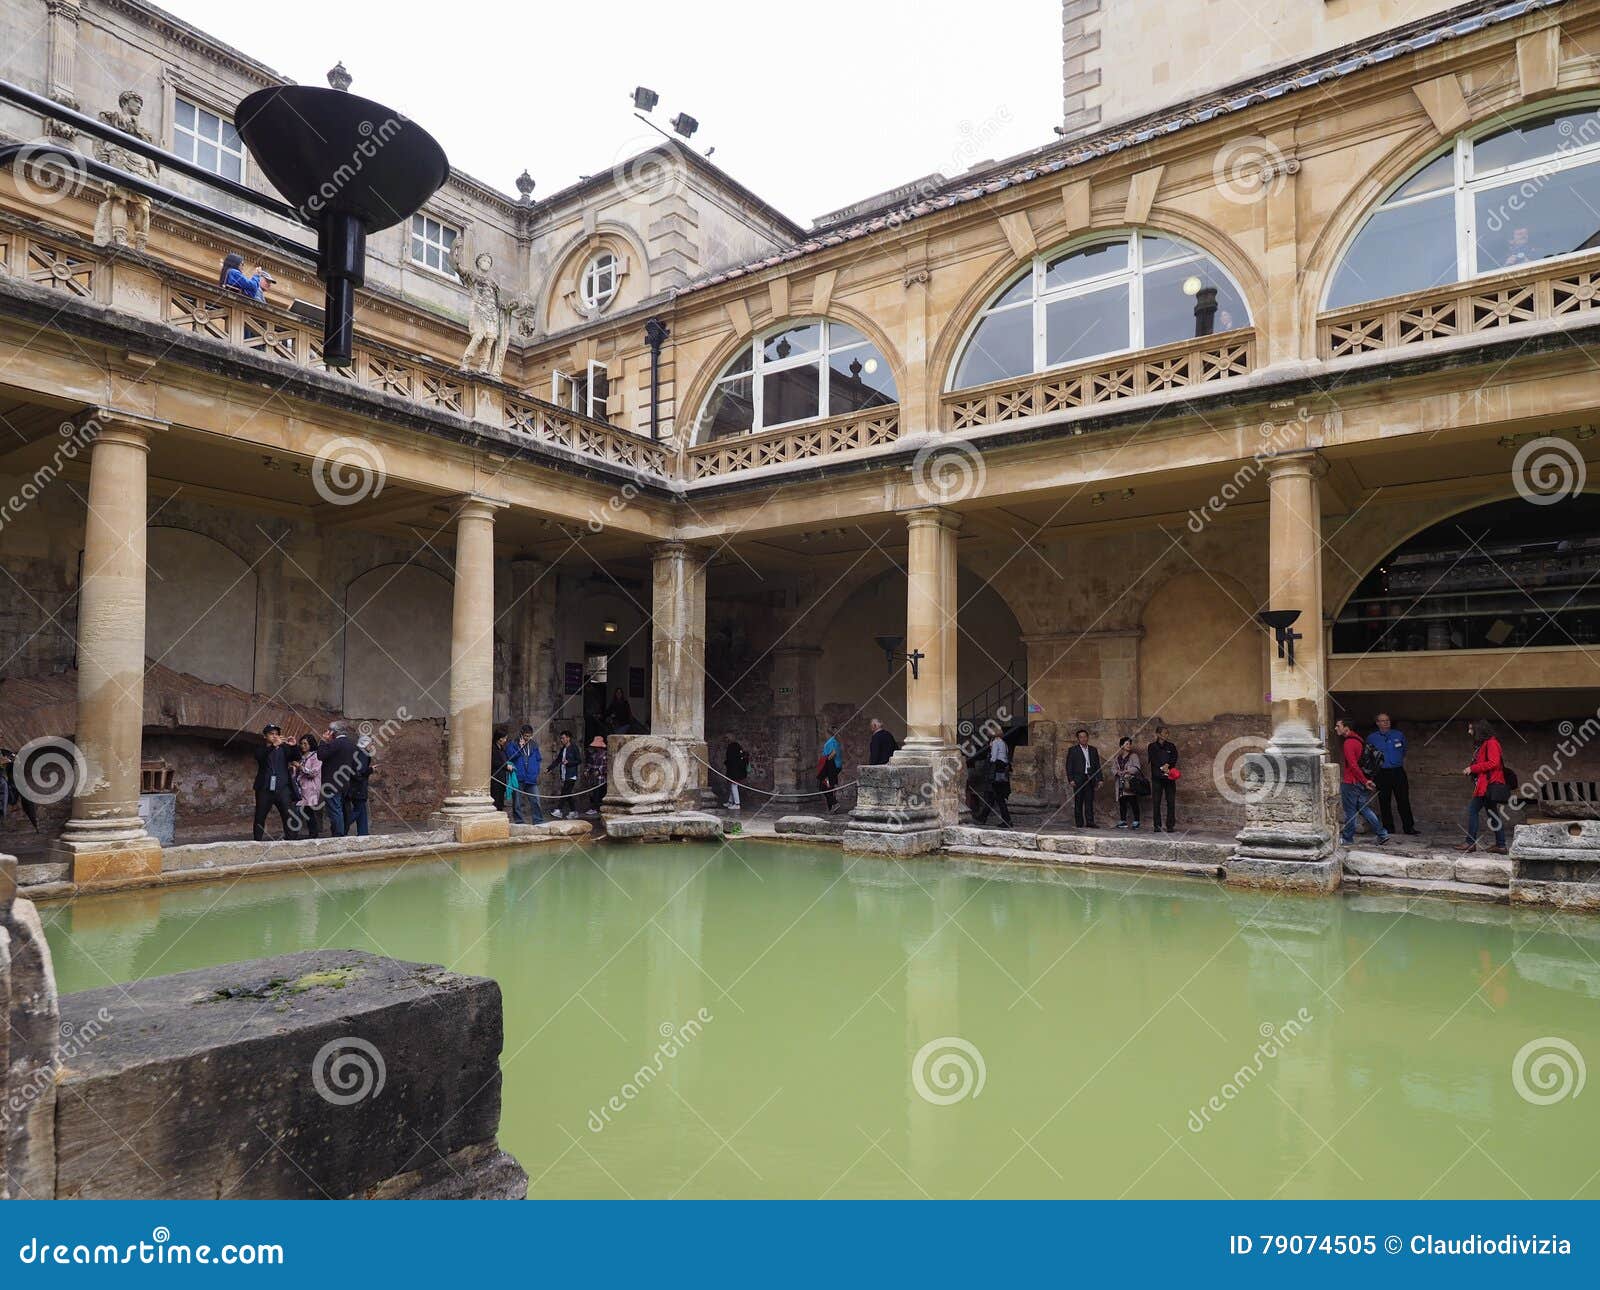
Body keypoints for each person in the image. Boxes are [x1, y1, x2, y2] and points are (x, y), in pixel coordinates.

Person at [1335, 718, 1390, 847]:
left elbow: (1353, 766)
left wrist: (1364, 781)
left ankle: (1347, 839)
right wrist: (1365, 781)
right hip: (1362, 780)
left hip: (1352, 782)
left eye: (1338, 726)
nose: (1336, 728)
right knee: (1364, 808)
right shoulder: (1359, 740)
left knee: (1350, 811)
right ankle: (1382, 834)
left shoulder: (1348, 743)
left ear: (1346, 728)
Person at [1458, 718, 1508, 854]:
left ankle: (1470, 843)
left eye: (1471, 729)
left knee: (1472, 810)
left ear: (1479, 730)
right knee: (1493, 814)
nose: (1469, 732)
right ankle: (1501, 845)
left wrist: (1472, 768)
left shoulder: (1491, 743)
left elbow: (1493, 763)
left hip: (1488, 785)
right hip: (1485, 784)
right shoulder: (1485, 743)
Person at [1366, 712, 1418, 835]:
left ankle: (1408, 827)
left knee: (1403, 800)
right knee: (1384, 801)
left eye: (1387, 720)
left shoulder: (1398, 735)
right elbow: (1369, 755)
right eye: (1383, 721)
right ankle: (1389, 828)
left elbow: (1404, 750)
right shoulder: (1372, 738)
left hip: (1397, 771)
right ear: (1377, 723)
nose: (1386, 722)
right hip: (1382, 772)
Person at [252, 723, 295, 841]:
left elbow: (295, 757)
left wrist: (293, 746)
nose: (275, 736)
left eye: (277, 734)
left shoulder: (284, 748)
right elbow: (260, 757)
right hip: (264, 789)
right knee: (260, 816)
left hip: (282, 788)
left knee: (288, 815)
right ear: (265, 736)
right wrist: (272, 747)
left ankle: (291, 840)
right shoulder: (261, 748)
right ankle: (257, 841)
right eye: (271, 734)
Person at [316, 722, 360, 836]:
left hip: (331, 783)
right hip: (345, 783)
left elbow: (321, 755)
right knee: (340, 810)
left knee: (335, 811)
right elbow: (355, 766)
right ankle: (340, 832)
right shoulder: (352, 745)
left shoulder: (335, 744)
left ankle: (338, 835)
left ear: (333, 732)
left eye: (328, 730)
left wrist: (323, 741)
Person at [1065, 728, 1102, 828]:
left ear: (1088, 737)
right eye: (1081, 737)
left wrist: (1100, 779)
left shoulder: (1093, 750)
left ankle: (1090, 822)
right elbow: (1069, 765)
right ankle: (1079, 823)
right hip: (1078, 778)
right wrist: (1071, 779)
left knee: (1089, 800)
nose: (1083, 739)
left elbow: (1097, 765)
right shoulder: (1073, 750)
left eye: (1085, 737)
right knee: (1078, 801)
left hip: (1090, 777)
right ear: (1078, 739)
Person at [508, 725, 543, 825]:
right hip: (518, 776)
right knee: (517, 802)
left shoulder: (534, 745)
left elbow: (538, 759)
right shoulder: (513, 744)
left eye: (530, 736)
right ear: (521, 735)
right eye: (526, 736)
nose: (528, 738)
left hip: (531, 777)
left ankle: (538, 821)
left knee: (536, 800)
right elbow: (510, 756)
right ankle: (519, 822)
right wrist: (520, 747)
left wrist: (536, 771)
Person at [1146, 724, 1179, 833]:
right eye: (1165, 733)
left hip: (1169, 777)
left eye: (1167, 733)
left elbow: (1174, 757)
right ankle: (1157, 825)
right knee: (1156, 802)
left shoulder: (1171, 746)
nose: (1167, 735)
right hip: (1157, 777)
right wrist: (1162, 767)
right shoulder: (1152, 746)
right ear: (1158, 734)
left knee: (1171, 801)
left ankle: (1170, 825)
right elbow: (1153, 759)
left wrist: (1168, 765)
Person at [1, 748, 41, 832]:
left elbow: (15, 758)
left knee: (26, 797)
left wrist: (14, 759)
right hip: (5, 785)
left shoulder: (4, 752)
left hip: (12, 784)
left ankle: (36, 825)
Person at [292, 734, 323, 839]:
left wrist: (300, 767)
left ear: (311, 744)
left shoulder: (316, 757)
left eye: (305, 744)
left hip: (310, 788)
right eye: (301, 743)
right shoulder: (301, 757)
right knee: (308, 810)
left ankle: (293, 834)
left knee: (298, 809)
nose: (303, 746)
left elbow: (313, 773)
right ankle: (313, 833)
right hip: (300, 786)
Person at [345, 734, 373, 837]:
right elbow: (360, 772)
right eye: (370, 744)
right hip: (358, 787)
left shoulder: (356, 753)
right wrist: (371, 770)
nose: (371, 746)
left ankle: (363, 832)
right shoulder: (362, 754)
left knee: (362, 811)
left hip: (356, 786)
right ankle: (342, 826)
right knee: (358, 809)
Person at [1112, 736, 1142, 829]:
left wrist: (1127, 771)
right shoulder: (1117, 757)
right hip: (1120, 782)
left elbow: (1137, 767)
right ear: (1121, 746)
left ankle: (1136, 821)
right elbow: (1113, 768)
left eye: (1130, 744)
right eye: (1126, 744)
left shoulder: (1133, 756)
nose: (1129, 745)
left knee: (1133, 801)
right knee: (1122, 802)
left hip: (1130, 782)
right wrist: (1117, 772)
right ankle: (1123, 821)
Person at [985, 730, 1014, 828]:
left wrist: (990, 750)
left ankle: (1007, 820)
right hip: (1003, 772)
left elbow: (993, 758)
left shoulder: (996, 742)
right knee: (996, 796)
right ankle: (982, 817)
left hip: (997, 772)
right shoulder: (1004, 743)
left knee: (999, 798)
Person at [553, 730, 582, 819]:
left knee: (564, 792)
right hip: (565, 774)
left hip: (571, 775)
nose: (561, 740)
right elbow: (558, 760)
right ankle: (574, 812)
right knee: (568, 793)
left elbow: (579, 760)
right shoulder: (563, 749)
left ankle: (559, 810)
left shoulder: (574, 748)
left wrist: (569, 762)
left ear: (568, 738)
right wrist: (549, 768)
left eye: (563, 738)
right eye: (561, 738)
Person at [722, 734, 750, 811]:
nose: (725, 740)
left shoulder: (733, 747)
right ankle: (730, 802)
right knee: (732, 785)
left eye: (727, 738)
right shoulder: (736, 746)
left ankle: (737, 804)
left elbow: (732, 760)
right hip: (735, 770)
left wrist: (726, 763)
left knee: (734, 786)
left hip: (735, 771)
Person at [817, 728, 842, 813]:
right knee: (828, 786)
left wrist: (825, 761)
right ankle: (831, 808)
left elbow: (833, 753)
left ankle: (834, 803)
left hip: (831, 767)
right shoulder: (834, 741)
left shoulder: (831, 741)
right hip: (833, 766)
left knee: (825, 787)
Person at [585, 736, 608, 816]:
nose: (596, 748)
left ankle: (597, 808)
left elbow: (607, 766)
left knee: (600, 793)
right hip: (594, 778)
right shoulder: (593, 755)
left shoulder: (606, 755)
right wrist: (587, 770)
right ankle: (595, 807)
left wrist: (599, 771)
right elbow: (590, 764)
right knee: (594, 793)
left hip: (602, 779)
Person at [490, 730, 512, 812]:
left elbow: (505, 760)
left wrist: (508, 765)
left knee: (500, 801)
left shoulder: (502, 749)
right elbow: (494, 762)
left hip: (502, 779)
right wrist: (506, 766)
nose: (505, 740)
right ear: (499, 739)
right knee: (495, 800)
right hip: (495, 778)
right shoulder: (493, 748)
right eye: (504, 738)